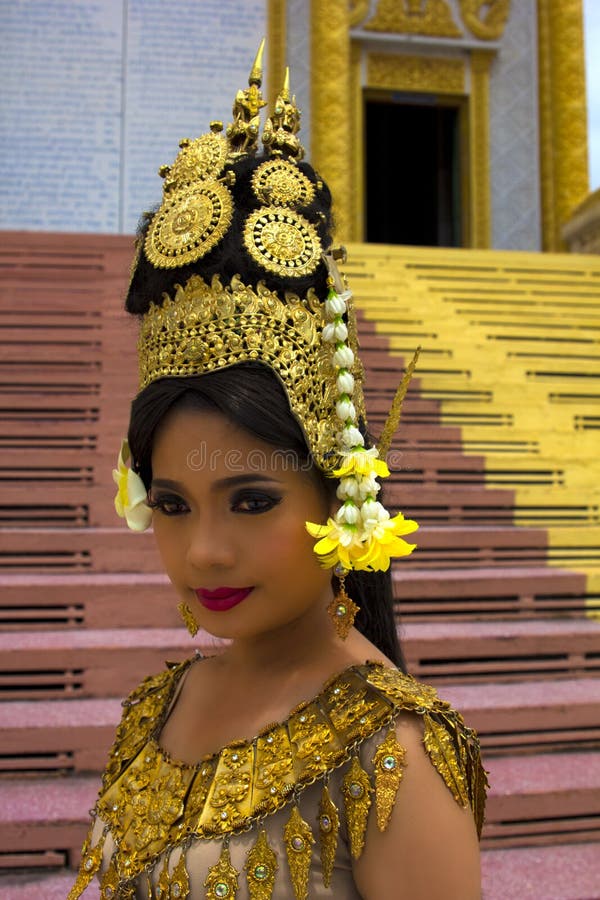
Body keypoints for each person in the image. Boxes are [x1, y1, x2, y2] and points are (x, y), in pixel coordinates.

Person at [68, 44, 487, 900]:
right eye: (174, 504)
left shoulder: (392, 752)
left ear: (341, 492)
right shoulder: (160, 705)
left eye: (250, 500)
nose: (205, 552)